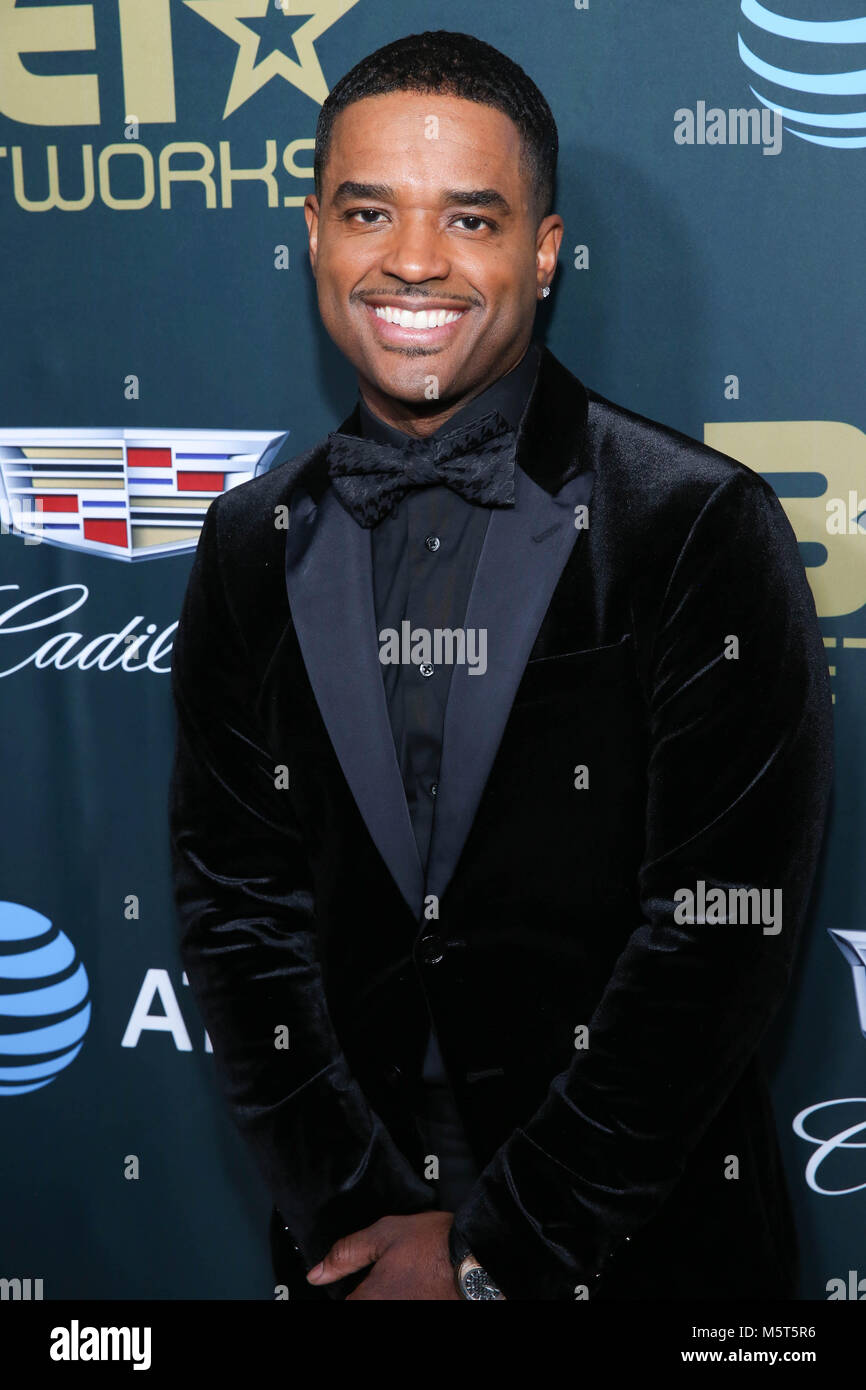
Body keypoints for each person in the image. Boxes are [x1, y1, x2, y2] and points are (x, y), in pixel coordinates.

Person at [169, 30, 833, 1301]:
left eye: (469, 219)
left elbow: (715, 935)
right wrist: (360, 1218)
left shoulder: (693, 524)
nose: (412, 260)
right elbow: (234, 907)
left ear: (540, 251)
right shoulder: (249, 543)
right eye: (369, 211)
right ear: (312, 233)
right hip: (345, 1252)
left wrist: (490, 1258)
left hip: (640, 1250)